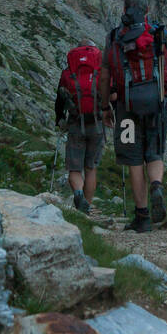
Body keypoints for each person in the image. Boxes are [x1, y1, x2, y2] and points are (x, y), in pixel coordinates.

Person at [100, 0, 167, 233]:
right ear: (147, 10)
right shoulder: (161, 34)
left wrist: (106, 107)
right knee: (154, 153)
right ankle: (156, 185)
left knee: (134, 160)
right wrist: (160, 81)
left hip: (126, 110)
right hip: (156, 104)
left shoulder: (115, 37)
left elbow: (105, 75)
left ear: (125, 8)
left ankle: (142, 216)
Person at [55, 42, 105, 214]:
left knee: (75, 168)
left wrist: (60, 119)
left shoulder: (68, 73)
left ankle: (77, 193)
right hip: (97, 125)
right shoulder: (100, 72)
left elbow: (60, 98)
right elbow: (111, 94)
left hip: (76, 124)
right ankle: (87, 209)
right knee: (91, 168)